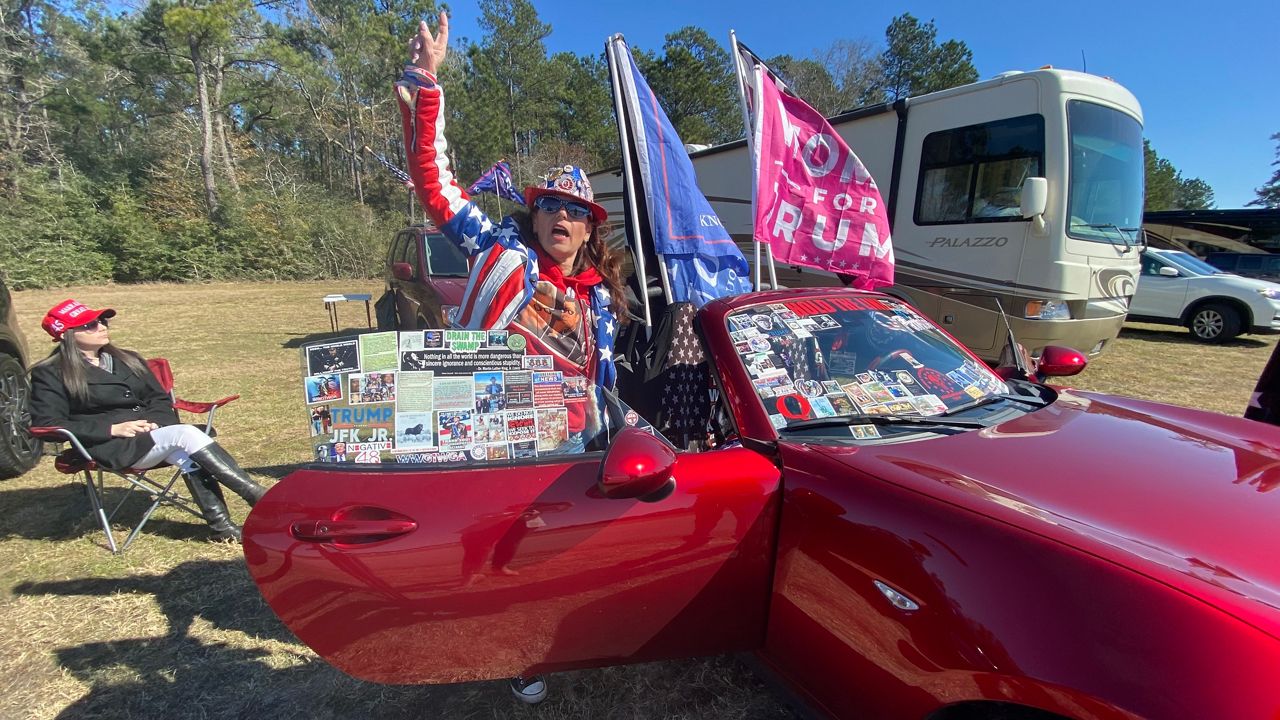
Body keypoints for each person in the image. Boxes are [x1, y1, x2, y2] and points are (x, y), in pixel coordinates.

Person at [395, 13, 626, 454]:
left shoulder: (600, 296)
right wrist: (426, 83)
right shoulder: (497, 251)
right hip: (497, 437)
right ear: (535, 218)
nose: (561, 214)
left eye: (574, 210)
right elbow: (432, 180)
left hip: (582, 443)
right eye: (549, 205)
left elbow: (605, 380)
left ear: (588, 229)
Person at [28, 300, 268, 542]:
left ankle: (222, 529)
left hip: (153, 435)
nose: (101, 327)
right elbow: (48, 424)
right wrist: (112, 429)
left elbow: (159, 400)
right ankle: (259, 497)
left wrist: (157, 423)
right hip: (109, 446)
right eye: (90, 324)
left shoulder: (128, 359)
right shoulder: (51, 373)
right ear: (67, 335)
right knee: (185, 436)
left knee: (185, 452)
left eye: (103, 321)